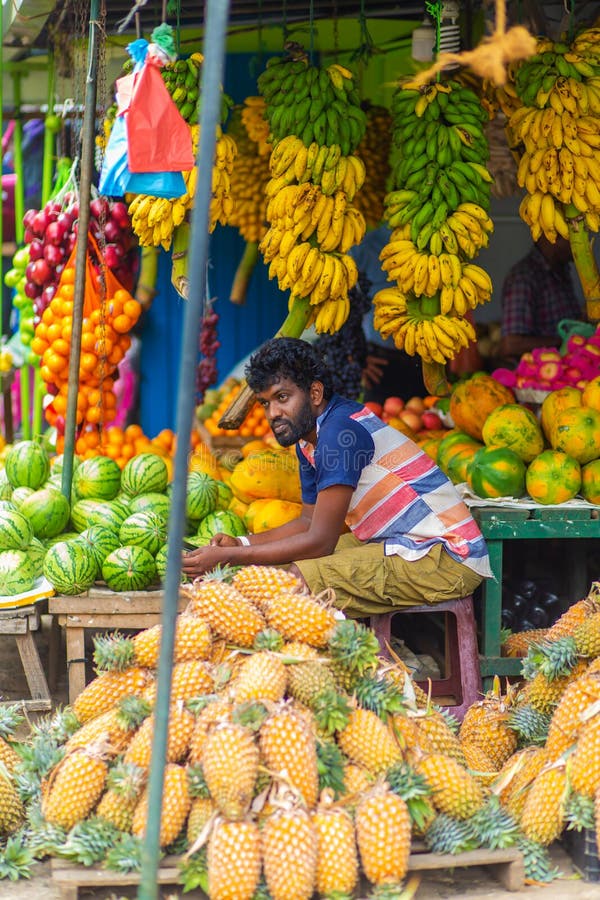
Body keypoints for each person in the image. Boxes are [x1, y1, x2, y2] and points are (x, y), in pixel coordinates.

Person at [182, 338, 491, 615]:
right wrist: (240, 543)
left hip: (448, 558)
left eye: (282, 397)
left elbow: (320, 542)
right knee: (290, 570)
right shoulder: (309, 439)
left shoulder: (338, 434)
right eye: (265, 403)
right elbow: (307, 523)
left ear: (315, 393)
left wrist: (233, 557)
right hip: (407, 547)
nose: (272, 412)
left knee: (299, 579)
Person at [349, 224, 426, 402]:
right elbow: (342, 302)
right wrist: (354, 354)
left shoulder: (434, 244)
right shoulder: (367, 245)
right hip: (380, 361)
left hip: (427, 358)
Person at [500, 234, 583, 360]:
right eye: (574, 236)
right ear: (554, 236)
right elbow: (511, 344)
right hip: (543, 371)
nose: (583, 243)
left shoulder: (562, 270)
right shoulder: (524, 278)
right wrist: (566, 341)